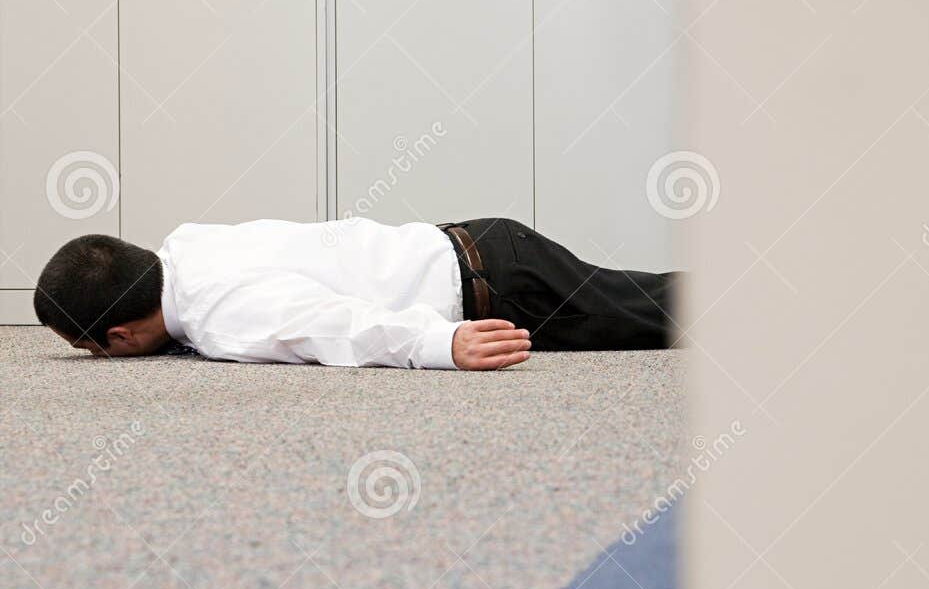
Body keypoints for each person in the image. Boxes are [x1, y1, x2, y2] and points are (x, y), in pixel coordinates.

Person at [33, 216, 677, 371]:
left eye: (97, 352)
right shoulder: (184, 247)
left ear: (119, 338)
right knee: (643, 300)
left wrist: (437, 344)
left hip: (503, 291)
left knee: (664, 315)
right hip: (479, 245)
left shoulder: (219, 317)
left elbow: (332, 324)